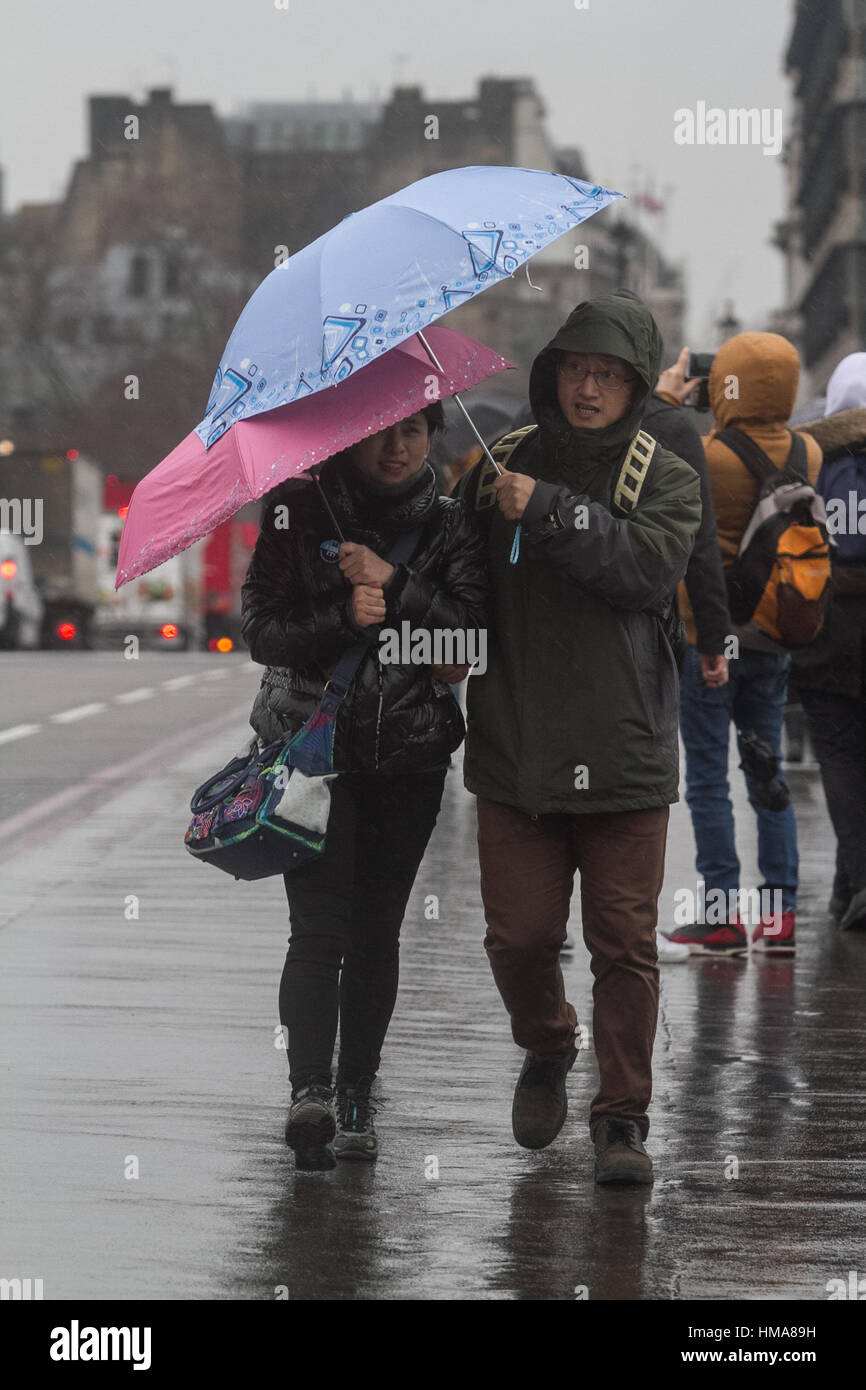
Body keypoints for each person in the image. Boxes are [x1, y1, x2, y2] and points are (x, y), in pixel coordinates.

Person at [457, 289, 702, 1184]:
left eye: (608, 375)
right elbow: (459, 587)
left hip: (627, 757)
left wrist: (552, 512)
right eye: (576, 370)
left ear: (636, 386)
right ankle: (548, 1043)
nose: (588, 389)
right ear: (552, 371)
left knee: (623, 946)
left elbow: (641, 573)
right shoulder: (495, 468)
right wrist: (407, 606)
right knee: (519, 940)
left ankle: (622, 1122)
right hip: (515, 755)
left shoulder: (665, 475)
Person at [241, 405, 487, 1170]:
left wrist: (398, 586)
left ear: (432, 439)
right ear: (352, 433)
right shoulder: (297, 505)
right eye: (381, 428)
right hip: (311, 755)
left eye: (414, 431)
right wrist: (344, 614)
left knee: (378, 929)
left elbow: (468, 637)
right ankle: (308, 1091)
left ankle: (356, 1095)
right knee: (319, 928)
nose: (396, 445)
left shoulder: (451, 523)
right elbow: (262, 629)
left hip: (407, 761)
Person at [657, 333, 822, 958]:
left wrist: (673, 394)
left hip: (710, 642)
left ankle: (722, 915)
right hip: (774, 638)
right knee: (767, 772)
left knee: (707, 778)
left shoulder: (704, 453)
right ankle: (779, 918)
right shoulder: (806, 450)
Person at [644, 349, 733, 962]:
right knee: (736, 777)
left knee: (677, 772)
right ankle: (760, 915)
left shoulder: (694, 440)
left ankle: (607, 917)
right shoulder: (807, 451)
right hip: (769, 631)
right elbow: (702, 543)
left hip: (674, 625)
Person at [790, 353, 866, 931]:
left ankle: (853, 883)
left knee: (838, 758)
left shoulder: (809, 458)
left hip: (824, 631)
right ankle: (851, 885)